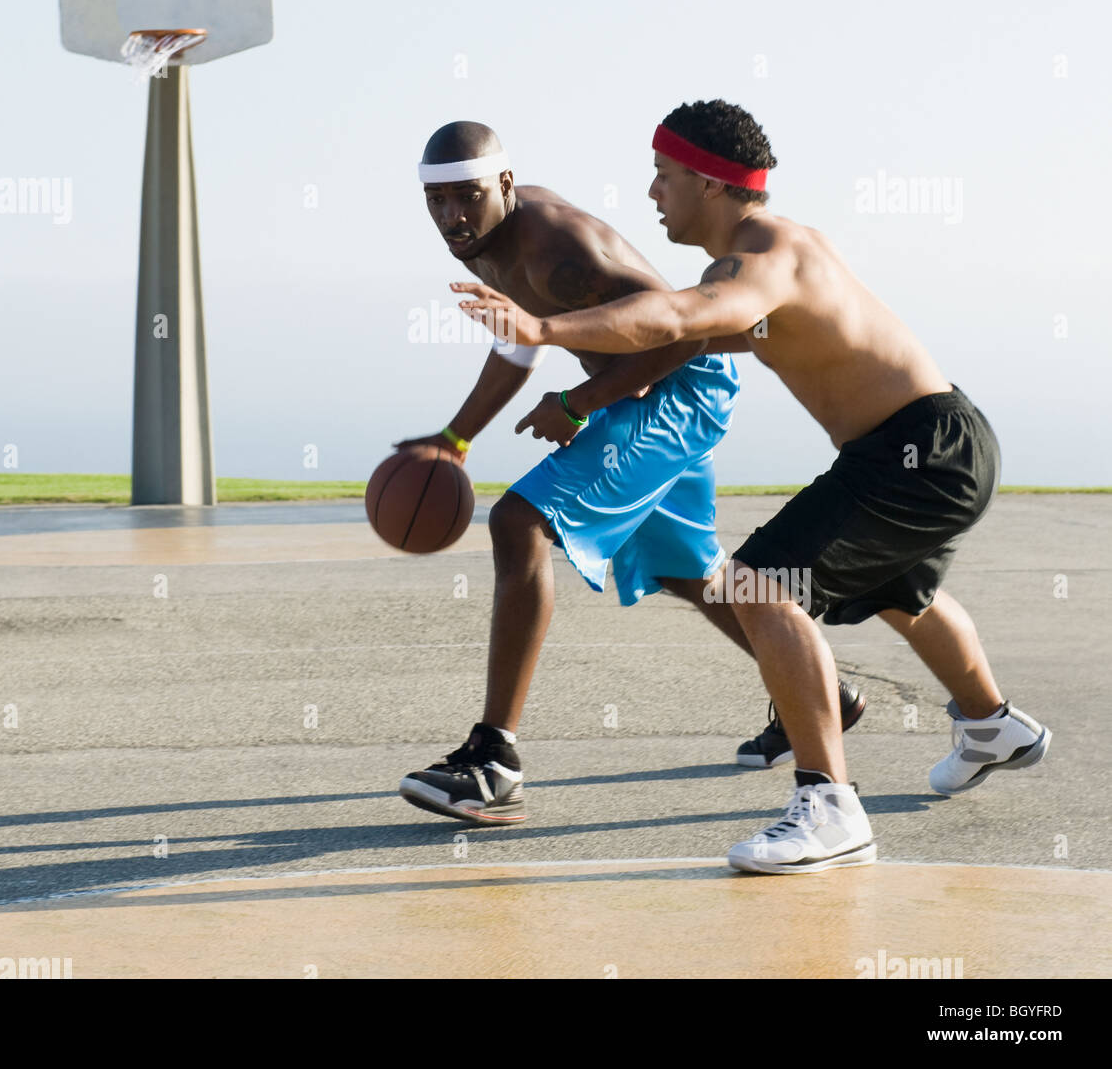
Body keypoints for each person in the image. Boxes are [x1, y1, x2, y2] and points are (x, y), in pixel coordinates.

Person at [454, 100, 1050, 873]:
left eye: (664, 176)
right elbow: (688, 334)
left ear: (707, 183)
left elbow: (677, 315)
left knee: (758, 586)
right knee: (905, 593)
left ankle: (830, 806)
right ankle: (991, 724)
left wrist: (544, 331)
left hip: (919, 450)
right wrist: (580, 398)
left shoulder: (762, 259)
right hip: (929, 444)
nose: (651, 193)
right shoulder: (775, 251)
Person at [395, 120, 864, 825]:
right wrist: (457, 438)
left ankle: (493, 762)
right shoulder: (485, 242)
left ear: (507, 186)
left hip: (678, 383)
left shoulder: (558, 249)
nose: (453, 217)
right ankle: (827, 693)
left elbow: (689, 334)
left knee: (518, 522)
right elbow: (520, 347)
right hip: (653, 388)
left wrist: (580, 402)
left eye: (468, 198)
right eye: (438, 202)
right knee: (686, 570)